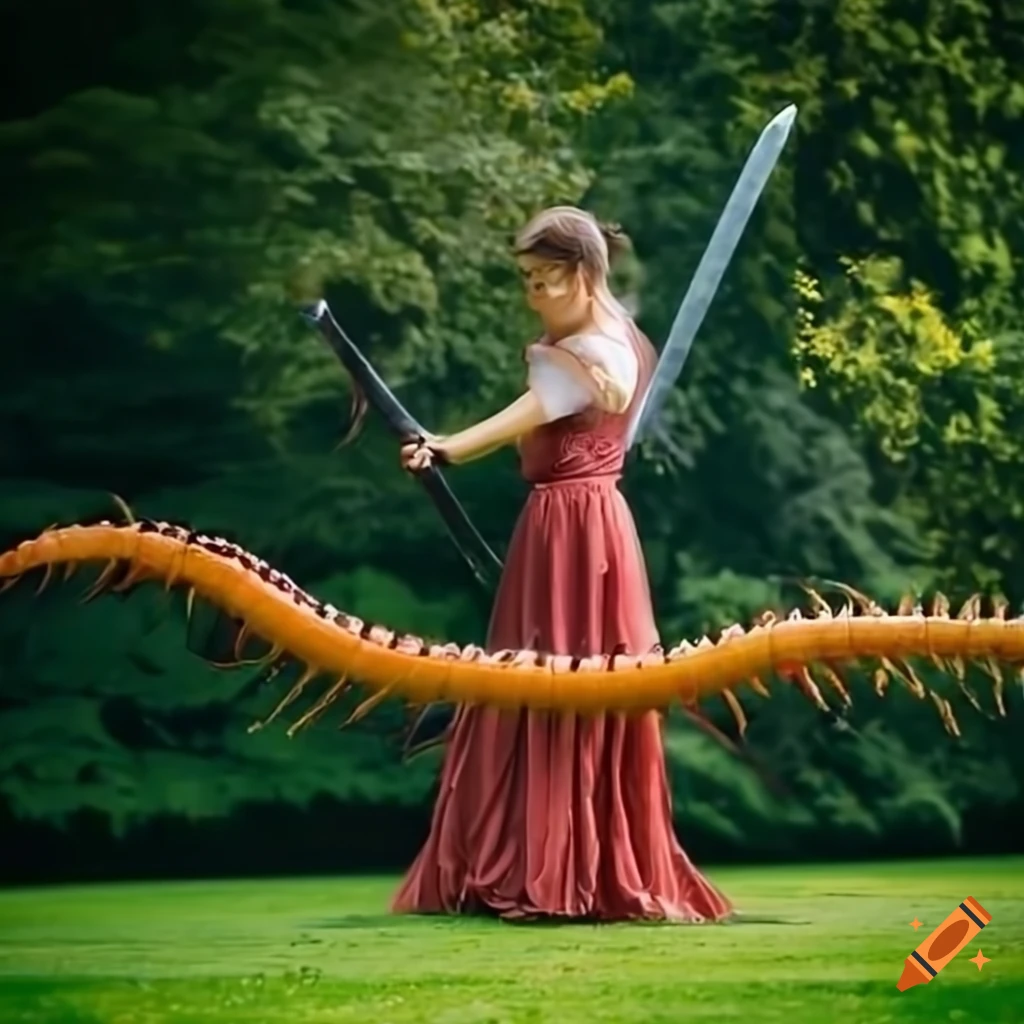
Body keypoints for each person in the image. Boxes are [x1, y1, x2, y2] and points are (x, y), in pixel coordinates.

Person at [392, 205, 732, 923]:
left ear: (581, 273)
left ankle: (569, 869)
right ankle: (551, 855)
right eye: (526, 280)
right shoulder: (619, 340)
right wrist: (445, 445)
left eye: (543, 279)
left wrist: (448, 444)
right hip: (587, 523)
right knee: (538, 681)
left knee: (568, 681)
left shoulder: (592, 351)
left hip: (574, 525)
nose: (532, 295)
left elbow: (542, 405)